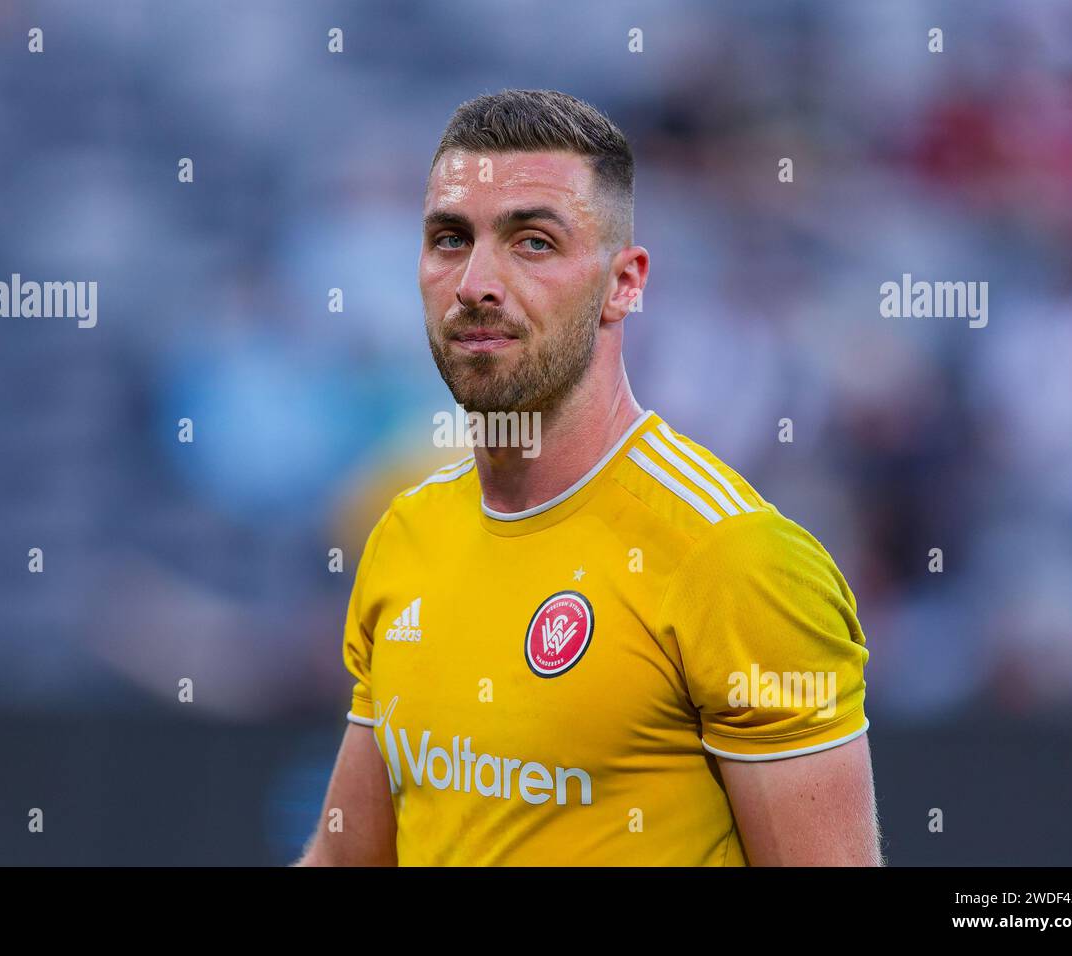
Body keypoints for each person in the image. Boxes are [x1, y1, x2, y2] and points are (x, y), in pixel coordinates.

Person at [297, 89, 881, 866]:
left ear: (625, 284)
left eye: (532, 241)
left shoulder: (734, 560)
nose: (475, 282)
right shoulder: (407, 535)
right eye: (448, 239)